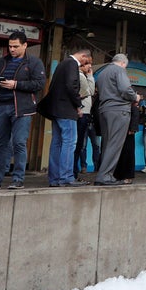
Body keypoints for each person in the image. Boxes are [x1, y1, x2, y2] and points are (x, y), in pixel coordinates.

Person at [0, 32, 46, 190]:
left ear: (25, 45)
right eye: (10, 46)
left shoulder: (34, 62)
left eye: (15, 46)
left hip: (22, 108)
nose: (12, 49)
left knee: (19, 143)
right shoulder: (3, 61)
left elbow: (39, 84)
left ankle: (18, 179)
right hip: (2, 106)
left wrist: (16, 85)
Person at [45, 48, 92, 187]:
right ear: (83, 56)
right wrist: (78, 105)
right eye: (87, 61)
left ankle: (54, 179)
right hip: (67, 110)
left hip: (56, 110)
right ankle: (66, 177)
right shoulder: (72, 64)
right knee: (69, 142)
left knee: (56, 143)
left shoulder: (62, 64)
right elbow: (71, 86)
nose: (86, 65)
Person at [94, 53, 140, 186]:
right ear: (123, 63)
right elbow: (125, 89)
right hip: (118, 111)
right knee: (115, 144)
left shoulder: (102, 73)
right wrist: (135, 97)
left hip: (104, 110)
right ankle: (105, 176)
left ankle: (102, 174)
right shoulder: (119, 70)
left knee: (107, 144)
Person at [74, 60, 98, 174]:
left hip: (89, 118)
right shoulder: (81, 77)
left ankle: (93, 166)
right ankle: (77, 168)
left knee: (90, 145)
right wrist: (90, 77)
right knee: (80, 144)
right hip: (82, 113)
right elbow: (90, 91)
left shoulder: (82, 76)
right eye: (89, 65)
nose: (90, 67)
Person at [117, 100, 142, 184]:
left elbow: (135, 114)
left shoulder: (132, 106)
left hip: (128, 132)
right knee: (122, 153)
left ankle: (127, 176)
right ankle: (120, 175)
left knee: (128, 153)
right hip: (122, 131)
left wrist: (132, 129)